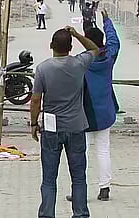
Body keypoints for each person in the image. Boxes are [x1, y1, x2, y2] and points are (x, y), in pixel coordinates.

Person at [31, 27, 102, 218]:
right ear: (71, 47)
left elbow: (36, 100)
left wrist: (33, 123)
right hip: (77, 126)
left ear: (51, 46)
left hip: (52, 129)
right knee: (78, 177)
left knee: (49, 178)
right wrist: (78, 34)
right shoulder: (79, 63)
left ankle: (47, 214)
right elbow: (95, 49)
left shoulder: (43, 68)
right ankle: (80, 214)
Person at [73, 10, 120, 202]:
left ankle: (79, 190)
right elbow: (114, 40)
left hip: (84, 112)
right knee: (103, 150)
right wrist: (107, 20)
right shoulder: (109, 57)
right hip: (105, 111)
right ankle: (104, 188)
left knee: (81, 152)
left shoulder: (81, 61)